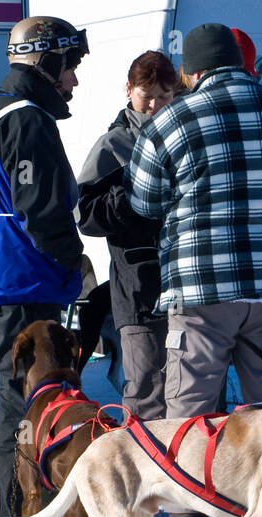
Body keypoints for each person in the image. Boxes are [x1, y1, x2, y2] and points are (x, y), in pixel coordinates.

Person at [126, 23, 262, 517]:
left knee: (191, 401)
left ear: (190, 72)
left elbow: (143, 201)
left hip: (202, 286)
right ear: (241, 62)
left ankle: (187, 510)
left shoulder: (171, 120)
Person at [0, 16, 87, 517]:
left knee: (18, 395)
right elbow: (41, 208)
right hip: (25, 274)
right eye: (70, 66)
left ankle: (12, 507)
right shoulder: (27, 119)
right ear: (47, 62)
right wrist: (71, 259)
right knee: (30, 398)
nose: (74, 79)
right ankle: (18, 511)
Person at [76, 51, 177, 420]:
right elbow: (85, 214)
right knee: (147, 390)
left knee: (192, 393)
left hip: (191, 289)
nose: (154, 106)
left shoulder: (188, 135)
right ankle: (140, 454)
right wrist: (132, 196)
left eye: (164, 96)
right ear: (128, 90)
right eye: (146, 96)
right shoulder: (113, 145)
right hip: (138, 290)